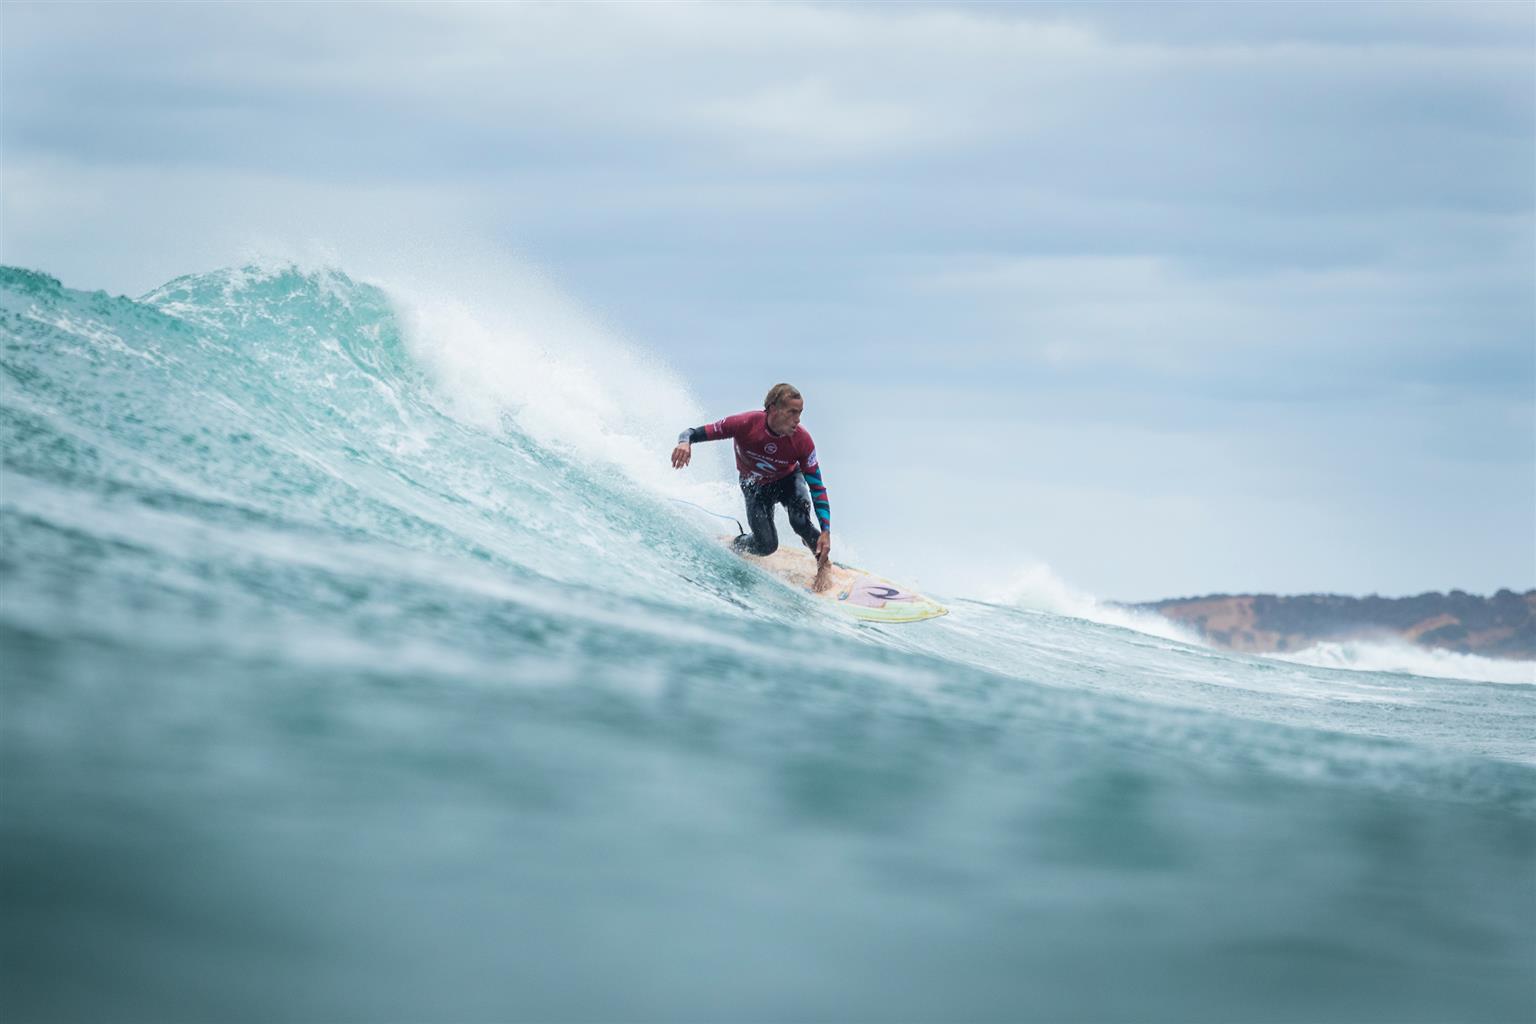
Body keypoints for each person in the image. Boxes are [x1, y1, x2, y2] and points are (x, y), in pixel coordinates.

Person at [672, 383, 832, 591]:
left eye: (800, 413)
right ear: (773, 409)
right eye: (792, 412)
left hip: (789, 481)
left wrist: (826, 530)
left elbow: (817, 487)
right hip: (755, 486)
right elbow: (691, 432)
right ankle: (736, 544)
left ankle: (823, 566)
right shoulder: (745, 423)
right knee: (766, 546)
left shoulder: (802, 440)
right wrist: (685, 443)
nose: (798, 419)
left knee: (800, 522)